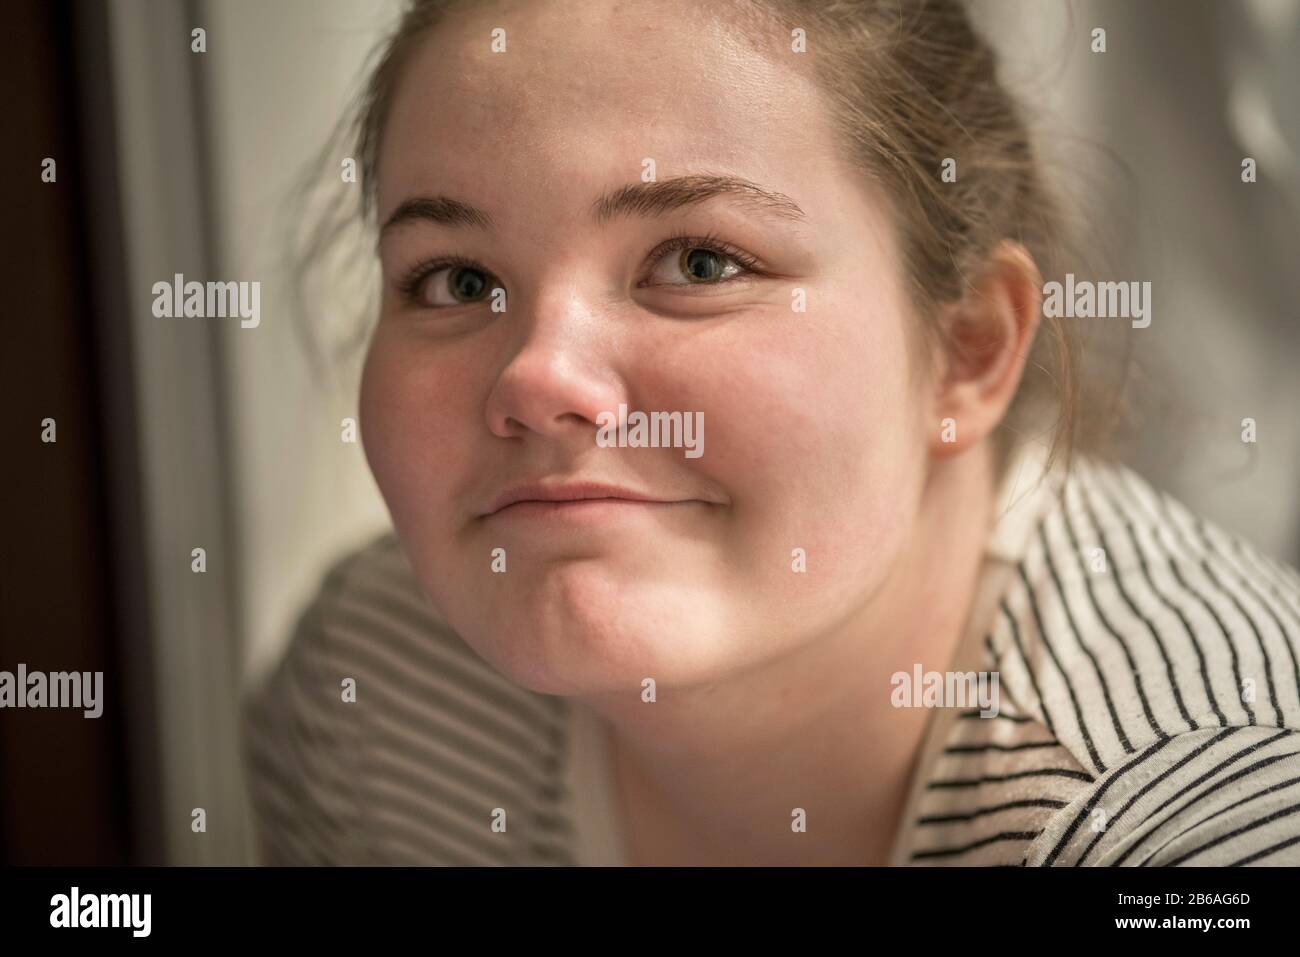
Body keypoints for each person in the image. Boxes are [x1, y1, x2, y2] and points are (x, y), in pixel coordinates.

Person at [239, 0, 1300, 866]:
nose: (538, 377)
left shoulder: (1202, 814)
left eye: (699, 262)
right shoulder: (370, 695)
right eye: (455, 280)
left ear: (968, 349)